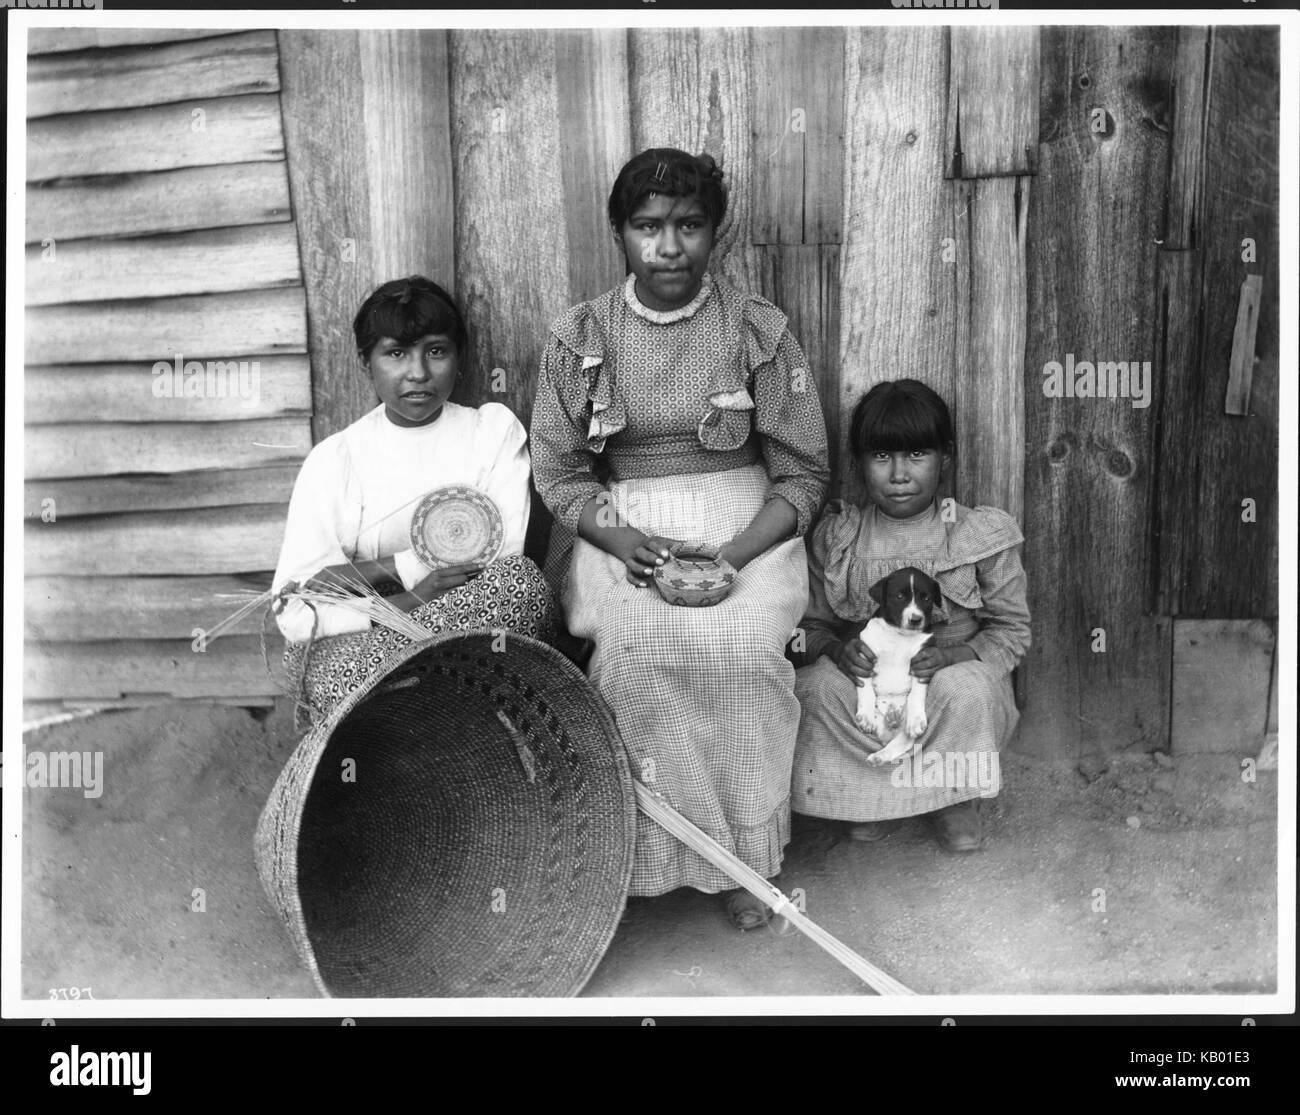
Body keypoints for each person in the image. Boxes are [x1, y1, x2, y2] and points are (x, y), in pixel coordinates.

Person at [529, 148, 830, 929]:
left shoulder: (760, 329)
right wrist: (621, 539)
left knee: (741, 645)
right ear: (621, 234)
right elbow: (559, 474)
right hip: (621, 520)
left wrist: (733, 553)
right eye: (648, 227)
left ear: (715, 232)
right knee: (632, 650)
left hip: (744, 522)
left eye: (689, 226)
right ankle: (646, 857)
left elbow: (802, 474)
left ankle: (745, 862)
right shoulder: (581, 335)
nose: (669, 247)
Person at [272, 275, 555, 728]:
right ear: (367, 363)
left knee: (519, 585)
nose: (418, 373)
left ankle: (416, 708)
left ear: (459, 358)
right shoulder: (335, 460)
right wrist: (407, 587)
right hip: (374, 645)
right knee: (318, 663)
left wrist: (350, 578)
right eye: (396, 353)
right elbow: (294, 608)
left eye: (436, 351)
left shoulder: (490, 434)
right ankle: (428, 708)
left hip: (468, 629)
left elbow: (500, 565)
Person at [790, 379, 1030, 852]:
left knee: (967, 687)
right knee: (815, 688)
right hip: (872, 685)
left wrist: (956, 654)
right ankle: (864, 798)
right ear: (860, 463)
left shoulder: (977, 534)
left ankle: (954, 797)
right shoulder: (841, 536)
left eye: (916, 455)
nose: (899, 474)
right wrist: (836, 649)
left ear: (946, 457)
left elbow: (1012, 630)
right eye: (881, 457)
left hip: (944, 680)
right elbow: (806, 630)